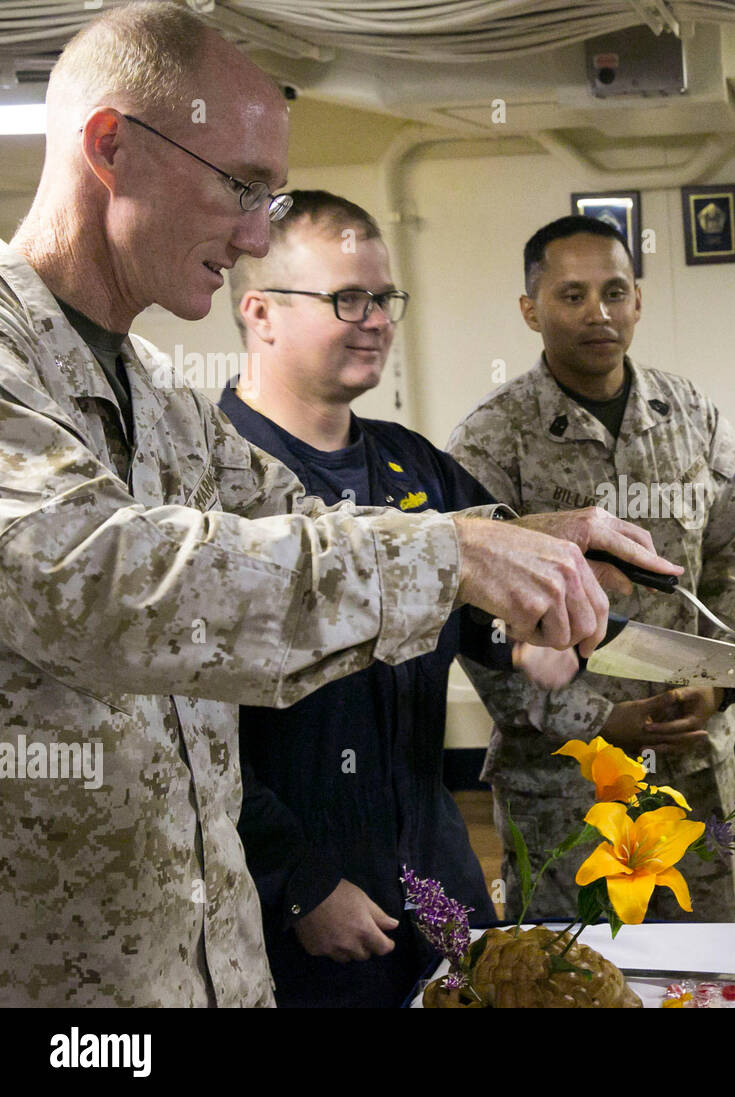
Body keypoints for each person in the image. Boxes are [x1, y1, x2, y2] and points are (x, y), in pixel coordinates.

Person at [0, 2, 674, 1007]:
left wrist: (517, 537)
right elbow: (100, 579)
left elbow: (303, 524)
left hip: (207, 966)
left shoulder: (157, 393)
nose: (256, 232)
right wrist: (451, 556)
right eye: (242, 187)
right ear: (112, 147)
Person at [220, 190, 575, 1006]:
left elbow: (485, 600)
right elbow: (182, 722)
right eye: (348, 297)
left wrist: (526, 642)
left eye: (384, 298)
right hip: (292, 886)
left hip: (430, 859)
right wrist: (298, 880)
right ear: (261, 312)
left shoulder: (415, 465)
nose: (376, 318)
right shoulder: (213, 476)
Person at [448, 215, 735, 923]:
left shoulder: (694, 417)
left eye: (615, 291)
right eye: (572, 295)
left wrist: (722, 682)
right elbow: (473, 618)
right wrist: (597, 719)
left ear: (639, 301)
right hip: (565, 778)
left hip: (690, 771)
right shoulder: (490, 439)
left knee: (707, 964)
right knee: (573, 973)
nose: (599, 313)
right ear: (530, 309)